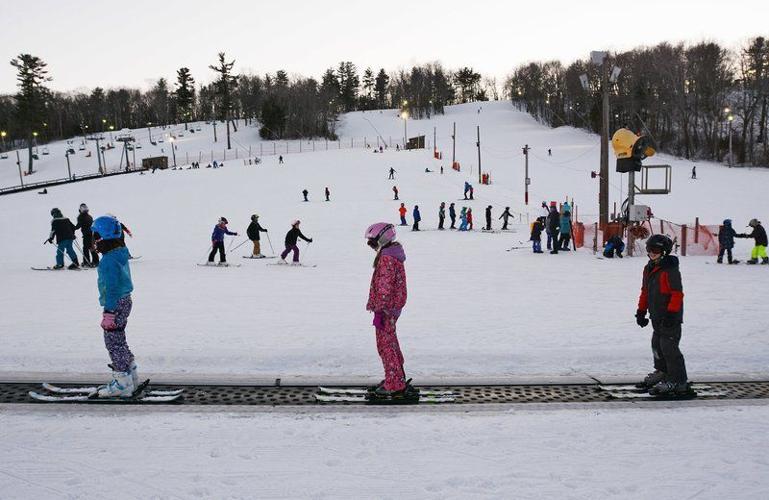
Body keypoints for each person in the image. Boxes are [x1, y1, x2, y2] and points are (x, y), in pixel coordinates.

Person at [635, 234, 691, 396]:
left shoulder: (670, 270)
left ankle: (678, 381)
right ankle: (662, 372)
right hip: (656, 316)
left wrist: (672, 314)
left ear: (664, 251)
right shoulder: (649, 268)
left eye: (656, 250)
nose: (652, 253)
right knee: (656, 344)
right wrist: (641, 311)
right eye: (649, 249)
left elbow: (677, 294)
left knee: (669, 348)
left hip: (669, 317)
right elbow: (645, 292)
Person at [364, 223, 415, 400]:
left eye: (372, 242)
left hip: (385, 310)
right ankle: (395, 378)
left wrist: (381, 310)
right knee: (390, 344)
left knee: (386, 347)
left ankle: (394, 384)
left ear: (383, 239)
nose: (371, 245)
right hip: (390, 308)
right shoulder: (392, 254)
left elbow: (385, 287)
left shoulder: (387, 259)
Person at [91, 215, 139, 398]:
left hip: (115, 302)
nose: (94, 241)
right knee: (120, 340)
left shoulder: (108, 261)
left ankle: (122, 384)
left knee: (113, 343)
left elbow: (111, 288)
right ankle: (131, 377)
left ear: (102, 237)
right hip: (125, 300)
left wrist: (109, 312)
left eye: (95, 236)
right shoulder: (121, 251)